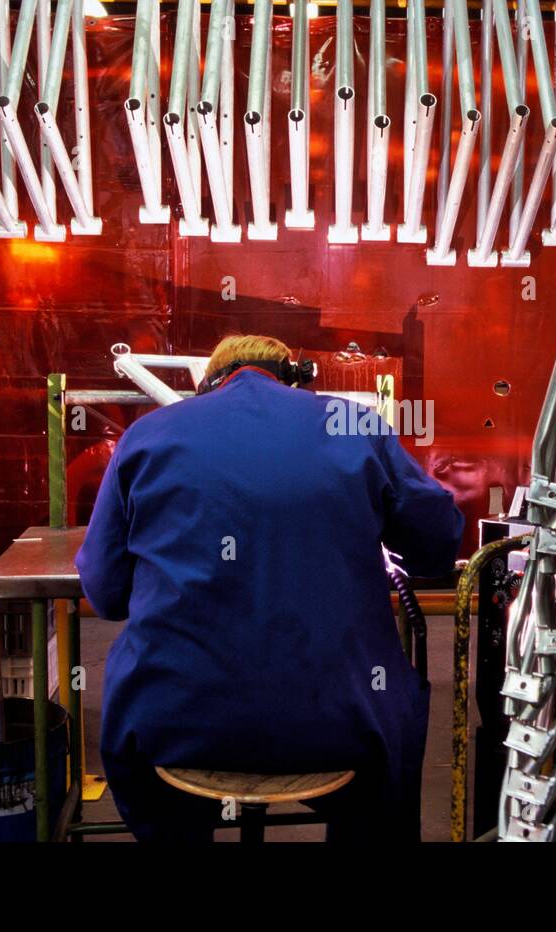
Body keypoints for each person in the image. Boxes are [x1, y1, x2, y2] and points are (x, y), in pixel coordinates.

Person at [75, 334, 464, 842]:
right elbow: (436, 545)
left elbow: (105, 595)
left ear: (209, 380)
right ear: (290, 374)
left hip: (171, 721)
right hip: (340, 721)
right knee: (390, 739)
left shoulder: (148, 435)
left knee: (157, 795)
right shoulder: (354, 424)